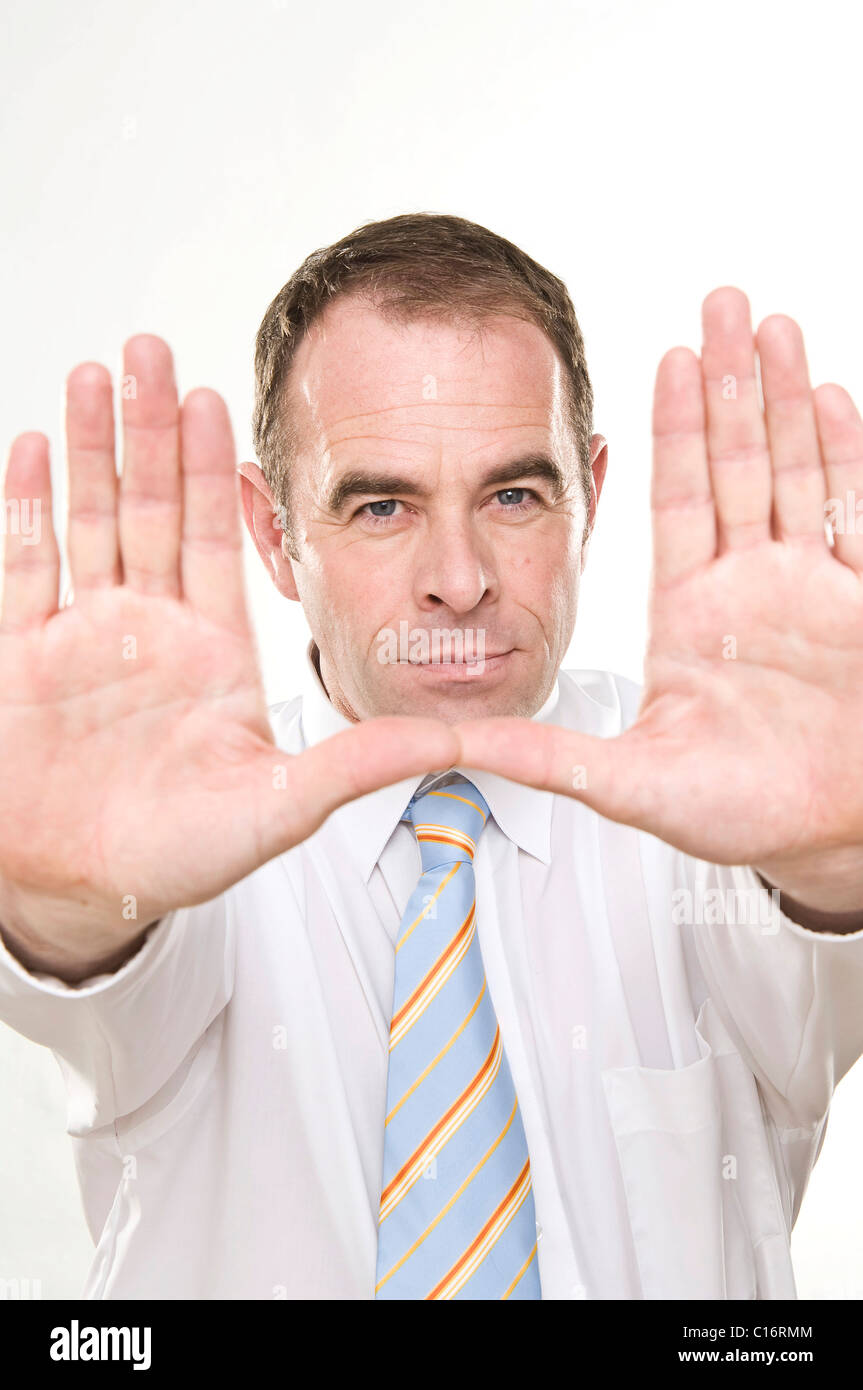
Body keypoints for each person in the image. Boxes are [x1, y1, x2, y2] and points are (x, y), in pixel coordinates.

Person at [1, 211, 863, 1300]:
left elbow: (816, 971)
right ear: (273, 535)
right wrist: (74, 904)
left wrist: (835, 863)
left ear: (587, 496)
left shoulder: (721, 799)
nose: (458, 577)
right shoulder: (183, 819)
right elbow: (97, 980)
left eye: (512, 494)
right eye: (379, 504)